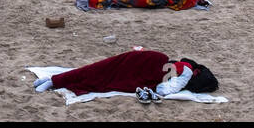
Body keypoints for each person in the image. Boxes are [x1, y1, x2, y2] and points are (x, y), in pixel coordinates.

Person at [34, 50, 218, 101]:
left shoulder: (182, 68)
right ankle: (53, 80)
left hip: (144, 62)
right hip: (147, 68)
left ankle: (54, 80)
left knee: (97, 72)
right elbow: (163, 88)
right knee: (99, 78)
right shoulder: (185, 71)